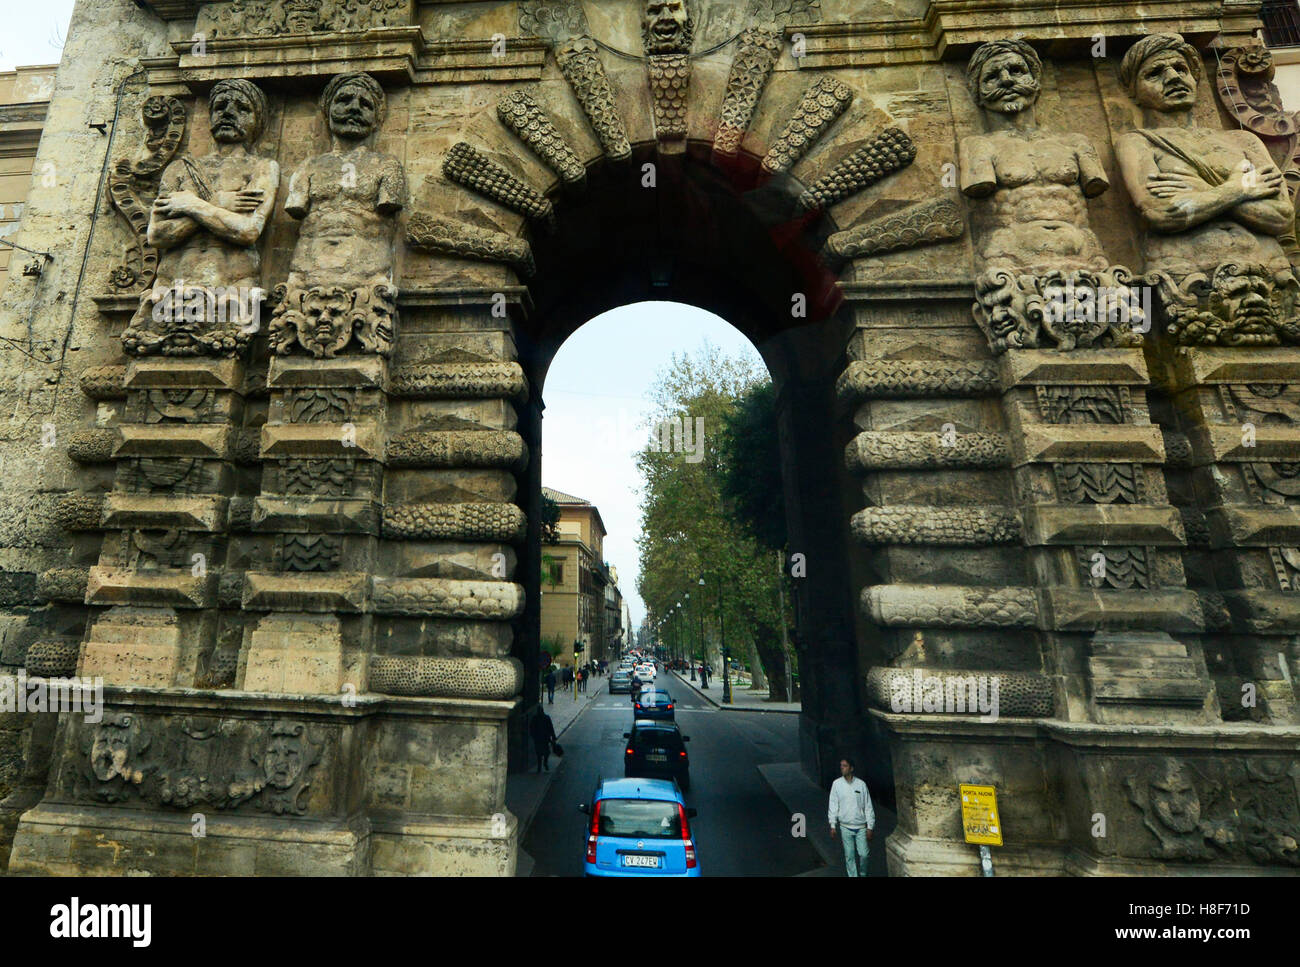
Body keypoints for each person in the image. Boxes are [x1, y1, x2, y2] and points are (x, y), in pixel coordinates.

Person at [829, 756, 875, 877]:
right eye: (841, 766)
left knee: (864, 854)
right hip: (845, 826)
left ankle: (863, 874)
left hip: (861, 827)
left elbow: (868, 806)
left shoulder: (861, 784)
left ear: (851, 768)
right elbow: (833, 805)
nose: (842, 768)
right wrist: (833, 825)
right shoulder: (836, 784)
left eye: (844, 766)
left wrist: (870, 827)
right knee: (849, 856)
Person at [529, 706, 557, 773]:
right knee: (546, 752)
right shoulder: (546, 718)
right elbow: (551, 727)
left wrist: (533, 736)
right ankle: (544, 763)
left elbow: (531, 728)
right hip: (545, 738)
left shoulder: (535, 718)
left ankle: (540, 766)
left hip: (539, 738)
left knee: (539, 753)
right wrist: (553, 736)